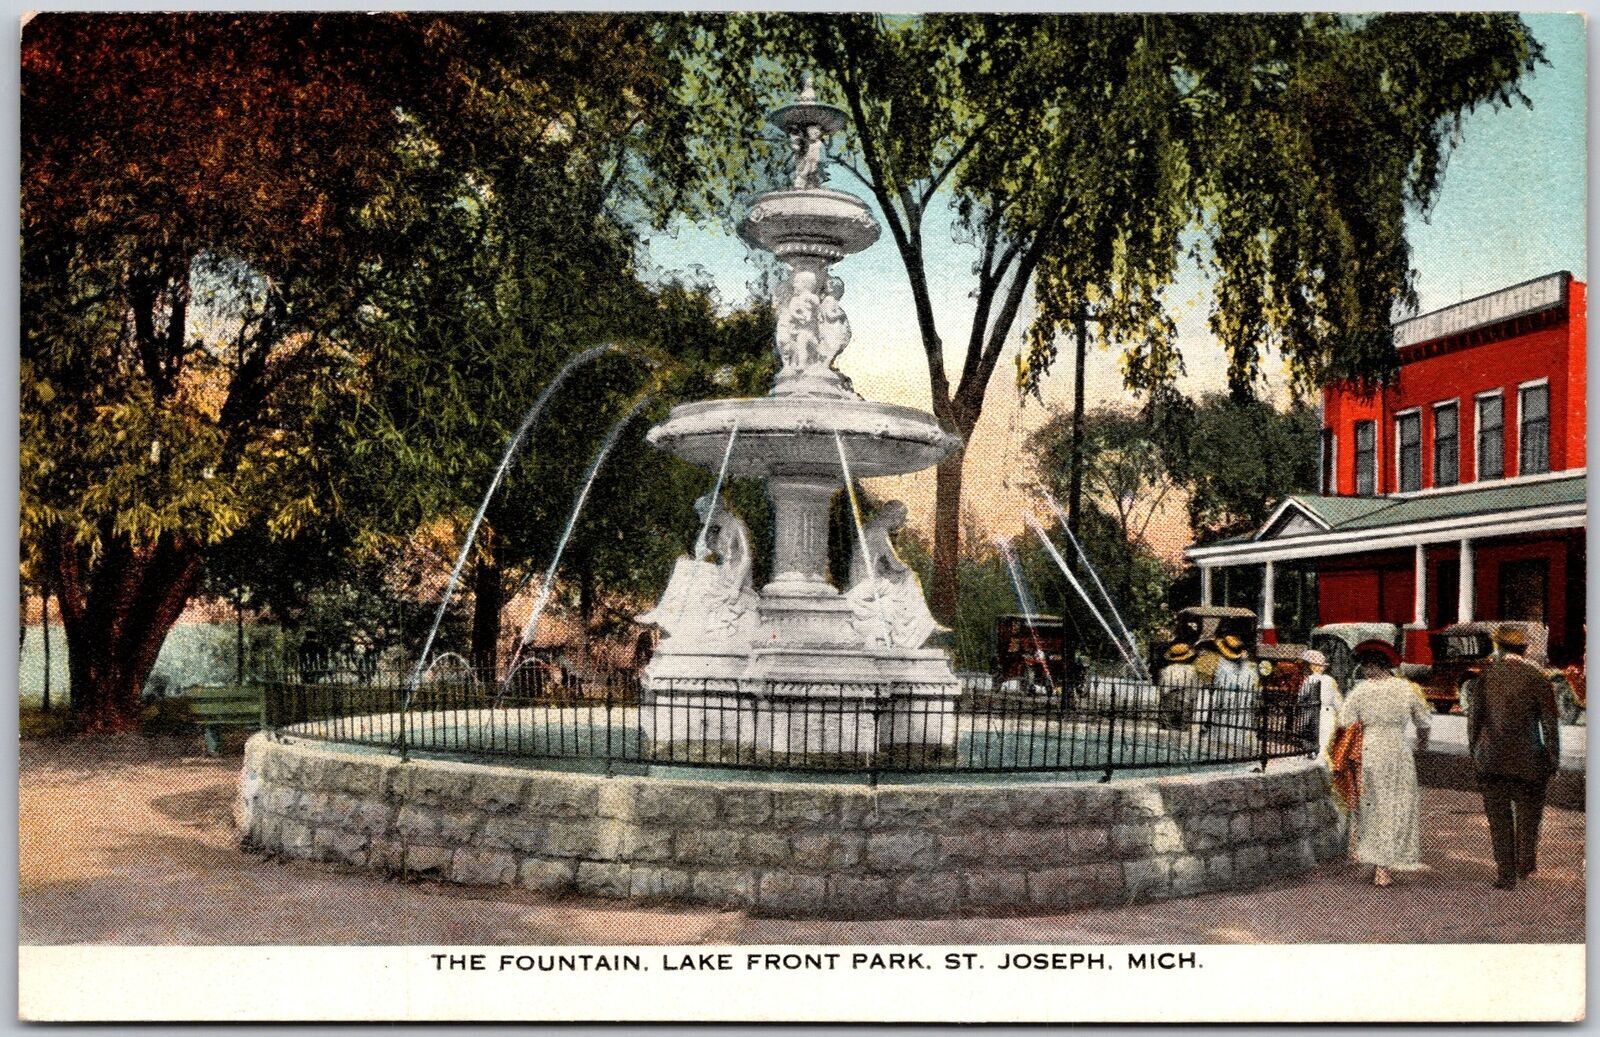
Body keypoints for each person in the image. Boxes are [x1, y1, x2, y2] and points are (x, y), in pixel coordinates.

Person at [1469, 625, 1560, 890]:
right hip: (1530, 760)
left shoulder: (1486, 676)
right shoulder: (1537, 678)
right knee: (1530, 815)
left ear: (1499, 648)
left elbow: (1475, 721)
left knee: (1499, 820)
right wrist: (1553, 759)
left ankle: (1505, 874)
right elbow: (1550, 724)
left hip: (1492, 760)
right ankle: (1525, 863)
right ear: (1525, 649)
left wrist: (1475, 752)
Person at [1337, 640, 1431, 887]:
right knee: (1397, 804)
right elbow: (1423, 722)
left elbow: (1345, 722)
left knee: (1372, 806)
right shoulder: (1406, 689)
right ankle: (1385, 864)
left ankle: (1376, 860)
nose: (1366, 670)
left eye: (1367, 665)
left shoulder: (1360, 691)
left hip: (1369, 750)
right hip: (1397, 750)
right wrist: (1422, 745)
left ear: (1372, 666)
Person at [1296, 649, 1341, 756]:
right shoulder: (1330, 680)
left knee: (1311, 736)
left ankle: (1312, 755)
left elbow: (1301, 697)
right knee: (1325, 740)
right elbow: (1337, 698)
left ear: (1311, 666)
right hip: (1329, 713)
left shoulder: (1309, 680)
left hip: (1313, 712)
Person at [1158, 643, 1200, 730]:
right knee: (1182, 731)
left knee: (1167, 730)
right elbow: (1194, 692)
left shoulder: (1166, 670)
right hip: (1185, 702)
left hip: (1168, 702)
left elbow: (1162, 691)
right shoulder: (1192, 670)